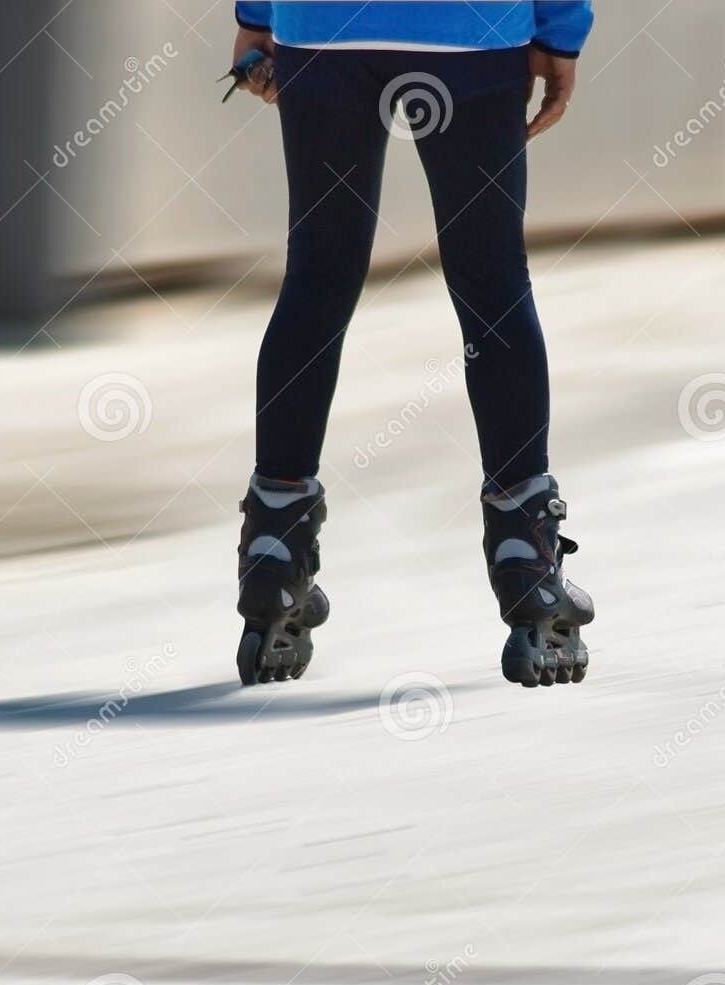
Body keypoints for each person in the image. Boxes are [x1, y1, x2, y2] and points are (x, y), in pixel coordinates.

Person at [229, 1, 597, 690]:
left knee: (317, 276)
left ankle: (275, 549)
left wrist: (258, 13)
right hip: (469, 31)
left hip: (322, 25)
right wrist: (560, 30)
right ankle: (526, 561)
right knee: (492, 284)